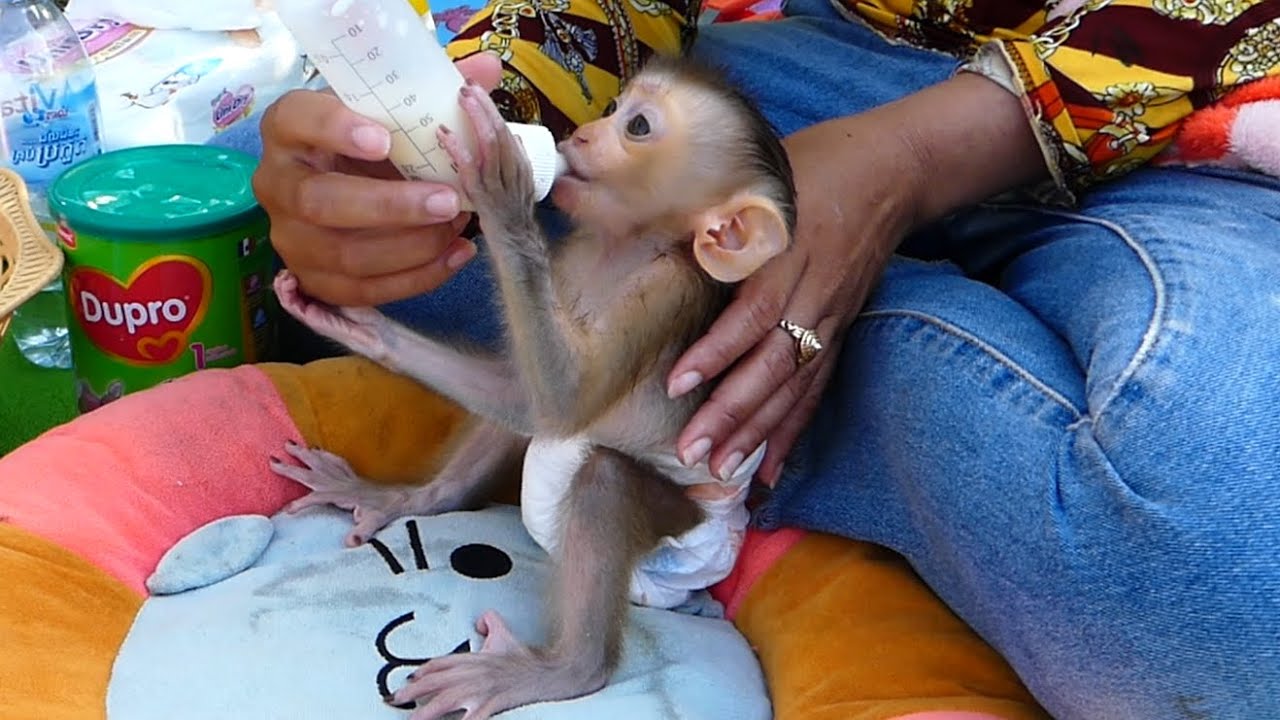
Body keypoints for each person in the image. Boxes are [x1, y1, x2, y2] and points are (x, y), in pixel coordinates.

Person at [250, 0, 1280, 716]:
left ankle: (804, 352)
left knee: (1231, 582)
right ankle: (844, 365)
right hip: (806, 68)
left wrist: (904, 161)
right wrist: (423, 134)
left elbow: (551, 385)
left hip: (1180, 119)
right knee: (418, 241)